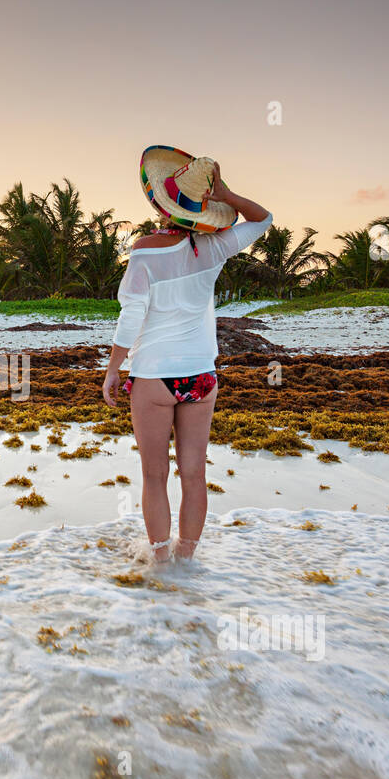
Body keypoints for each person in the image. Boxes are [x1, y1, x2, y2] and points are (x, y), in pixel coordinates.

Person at [102, 153, 271, 563]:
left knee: (154, 476)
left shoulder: (144, 252)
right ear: (202, 211)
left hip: (154, 378)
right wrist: (228, 195)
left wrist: (112, 370)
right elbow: (263, 220)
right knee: (195, 476)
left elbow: (131, 318)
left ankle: (161, 565)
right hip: (201, 378)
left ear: (161, 205)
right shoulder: (214, 247)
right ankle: (187, 562)